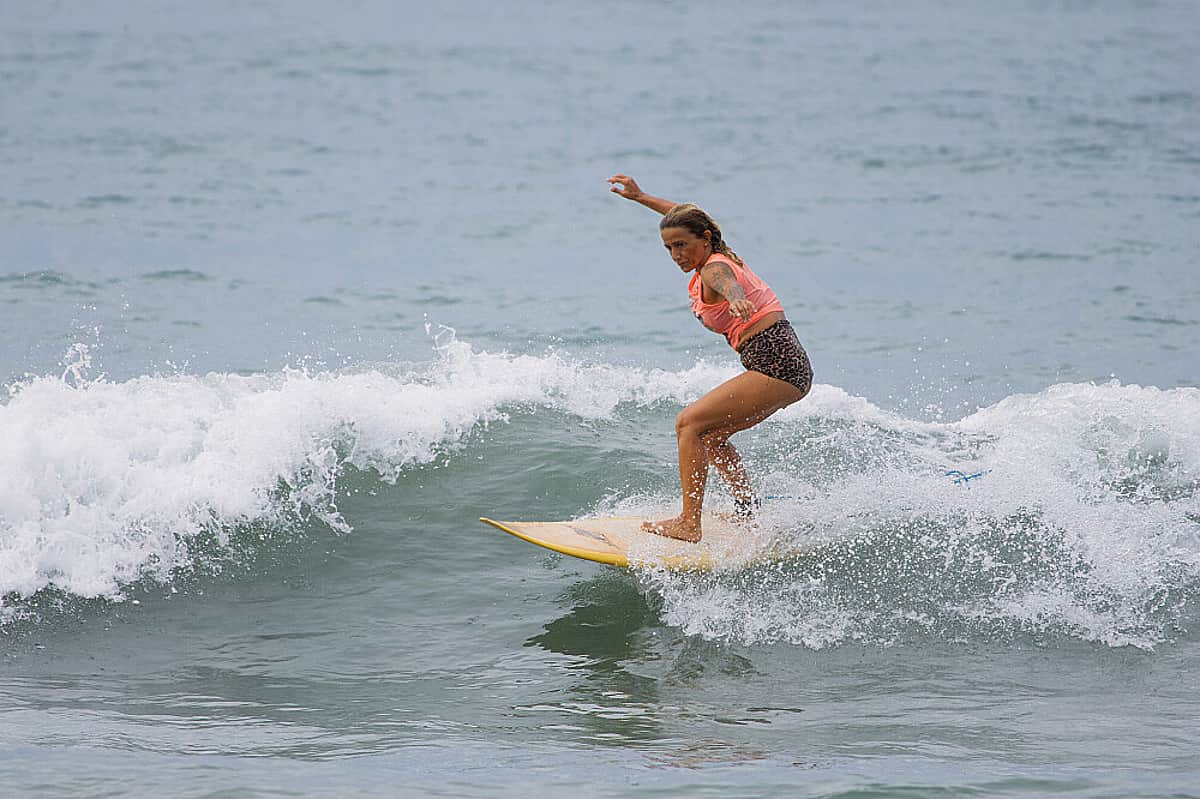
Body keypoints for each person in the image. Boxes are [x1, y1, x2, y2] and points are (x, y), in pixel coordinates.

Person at [608, 174, 813, 542]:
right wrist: (641, 198)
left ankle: (689, 523)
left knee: (688, 424)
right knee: (712, 437)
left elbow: (724, 279)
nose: (676, 255)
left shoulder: (715, 267)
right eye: (669, 248)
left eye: (682, 245)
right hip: (785, 364)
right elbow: (685, 216)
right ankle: (747, 512)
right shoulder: (715, 246)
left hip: (775, 361)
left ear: (704, 240)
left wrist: (735, 296)